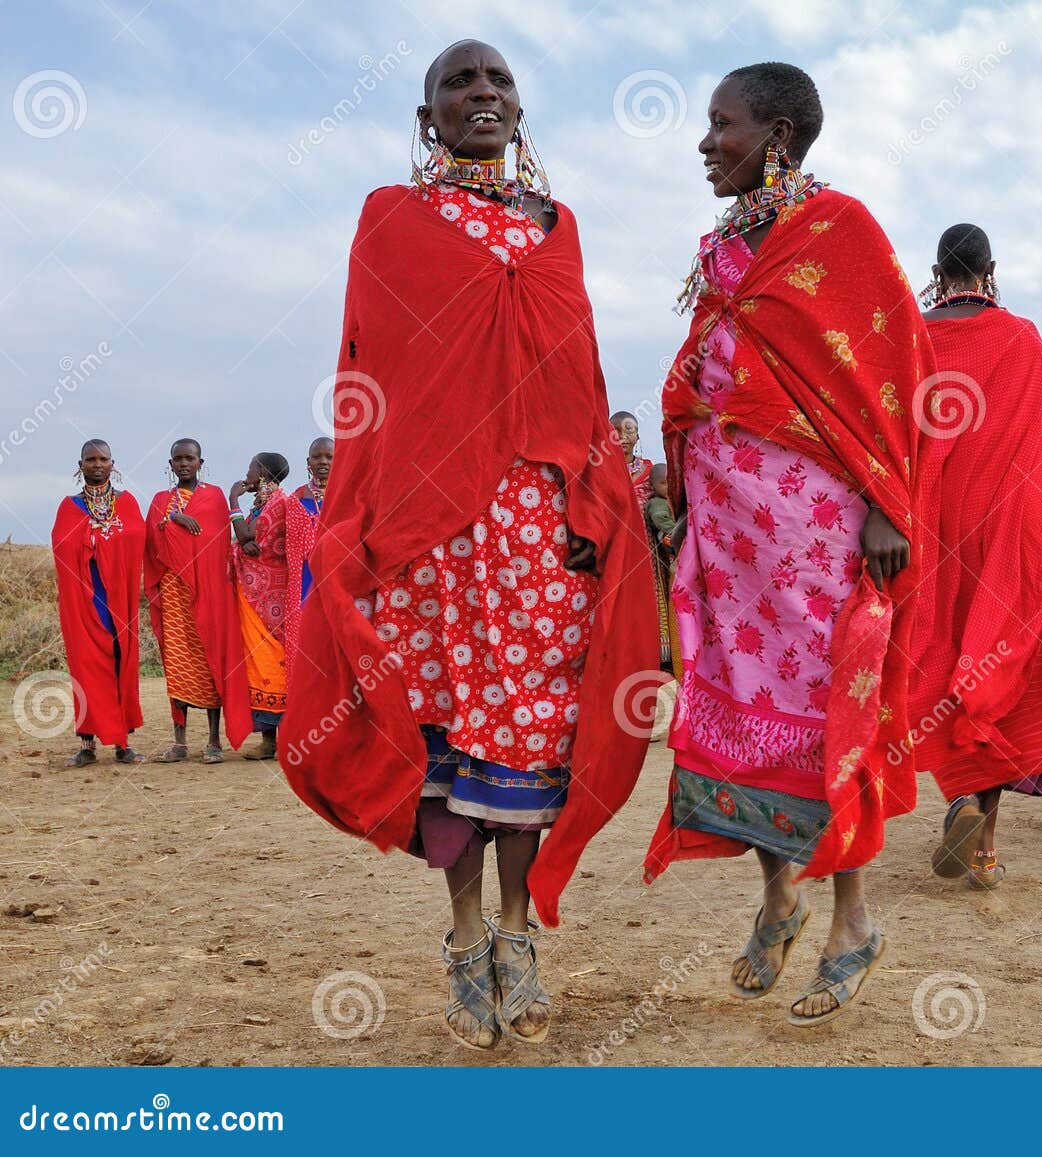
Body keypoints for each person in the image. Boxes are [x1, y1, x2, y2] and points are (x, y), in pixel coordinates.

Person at [280, 40, 655, 1052]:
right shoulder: (391, 219)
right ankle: (461, 936)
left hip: (541, 529)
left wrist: (594, 509)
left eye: (497, 81)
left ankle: (520, 936)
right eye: (460, 82)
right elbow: (375, 378)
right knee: (445, 736)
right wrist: (372, 512)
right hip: (430, 527)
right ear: (427, 114)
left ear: (519, 108)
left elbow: (578, 379)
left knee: (530, 737)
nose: (481, 93)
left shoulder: (558, 227)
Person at [644, 61, 927, 1027]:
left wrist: (889, 505)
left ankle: (853, 920)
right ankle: (779, 893)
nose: (704, 142)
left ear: (776, 136)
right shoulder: (725, 241)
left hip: (814, 522)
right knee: (739, 702)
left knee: (818, 704)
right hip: (726, 527)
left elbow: (892, 370)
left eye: (719, 123)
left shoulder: (840, 232)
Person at [912, 223, 1042, 889]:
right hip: (1005, 525)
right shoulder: (1022, 338)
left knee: (933, 657)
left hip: (930, 521)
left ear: (936, 272)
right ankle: (984, 839)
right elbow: (1037, 446)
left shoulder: (913, 335)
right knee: (1000, 658)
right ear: (990, 270)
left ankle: (959, 798)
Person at [144, 438, 251, 764]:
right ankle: (179, 743)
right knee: (176, 665)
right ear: (171, 463)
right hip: (174, 595)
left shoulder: (214, 496)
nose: (184, 463)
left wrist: (181, 525)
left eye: (190, 458)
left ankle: (214, 741)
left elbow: (213, 539)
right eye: (178, 459)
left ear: (201, 462)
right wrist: (174, 520)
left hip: (207, 592)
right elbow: (152, 540)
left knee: (209, 663)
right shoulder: (162, 500)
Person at [51, 440, 145, 766]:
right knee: (86, 666)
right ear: (80, 465)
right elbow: (62, 547)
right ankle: (87, 744)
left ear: (113, 463)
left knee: (121, 661)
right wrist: (89, 539)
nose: (97, 464)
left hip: (118, 599)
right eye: (90, 460)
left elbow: (135, 540)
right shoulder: (69, 506)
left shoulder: (127, 503)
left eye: (102, 459)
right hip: (85, 601)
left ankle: (122, 743)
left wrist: (102, 539)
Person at [229, 452, 293, 761]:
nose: (247, 474)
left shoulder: (278, 502)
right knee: (258, 664)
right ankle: (269, 740)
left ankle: (282, 739)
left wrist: (233, 500)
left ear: (265, 473)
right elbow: (245, 540)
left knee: (273, 662)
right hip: (255, 592)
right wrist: (244, 543)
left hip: (271, 596)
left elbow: (246, 535)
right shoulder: (262, 505)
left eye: (251, 468)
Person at [283, 437, 333, 675]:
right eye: (317, 457)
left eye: (329, 457)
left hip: (338, 579)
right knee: (305, 645)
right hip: (305, 581)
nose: (323, 461)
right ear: (308, 462)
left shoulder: (348, 495)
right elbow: (289, 545)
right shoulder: (295, 499)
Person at [644, 462, 679, 674]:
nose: (667, 487)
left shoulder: (669, 501)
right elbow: (660, 521)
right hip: (661, 553)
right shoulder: (657, 504)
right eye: (662, 483)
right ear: (652, 486)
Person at [612, 411, 652, 509]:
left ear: (637, 437)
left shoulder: (649, 471)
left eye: (629, 431)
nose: (622, 436)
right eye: (616, 431)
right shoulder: (602, 470)